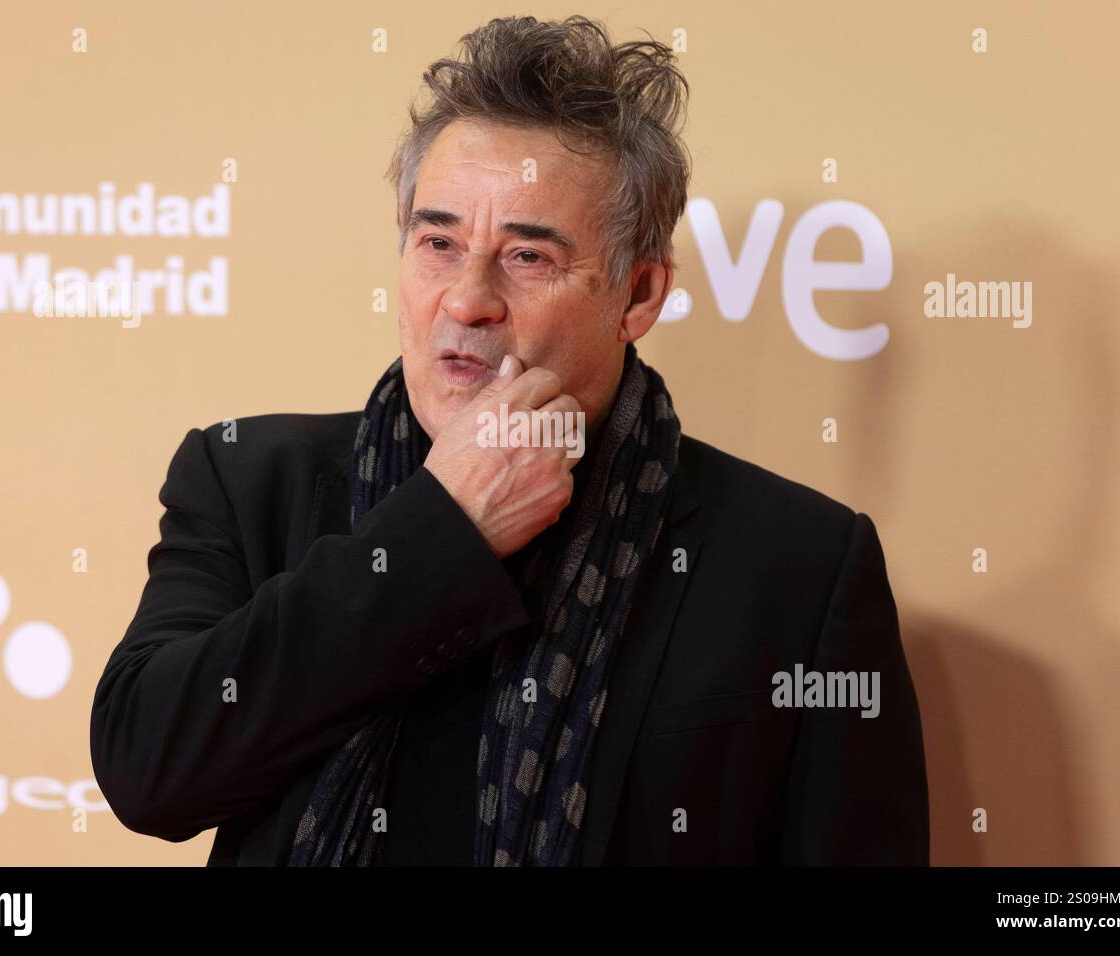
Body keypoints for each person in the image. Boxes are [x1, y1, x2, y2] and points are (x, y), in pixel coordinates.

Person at [90, 14, 929, 866]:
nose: (466, 299)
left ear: (639, 295)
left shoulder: (799, 564)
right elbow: (148, 771)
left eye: (527, 257)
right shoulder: (248, 480)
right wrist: (440, 528)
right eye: (439, 242)